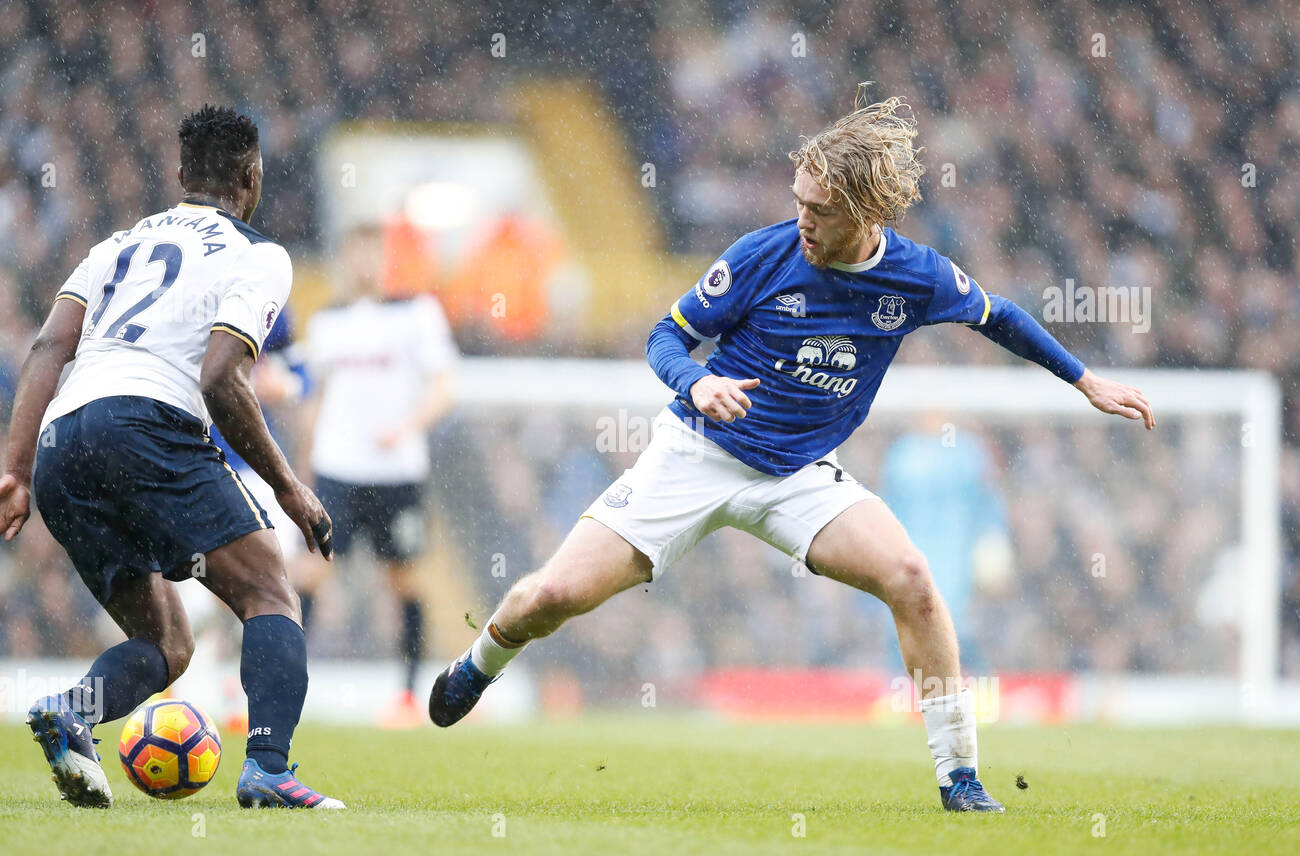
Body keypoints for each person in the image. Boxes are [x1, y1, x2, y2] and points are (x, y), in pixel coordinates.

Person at [427, 89, 1155, 813]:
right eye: (799, 200)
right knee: (550, 596)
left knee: (912, 577)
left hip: (800, 475)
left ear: (868, 214)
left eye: (821, 210)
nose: (803, 218)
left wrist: (1084, 378)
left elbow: (1000, 316)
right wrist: (699, 382)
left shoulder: (916, 276)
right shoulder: (763, 255)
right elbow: (665, 337)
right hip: (697, 453)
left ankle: (959, 776)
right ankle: (479, 661)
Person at [0, 105, 343, 809]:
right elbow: (221, 376)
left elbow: (47, 347)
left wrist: (16, 468)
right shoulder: (259, 255)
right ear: (252, 177)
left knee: (167, 642)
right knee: (269, 592)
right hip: (148, 424)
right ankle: (269, 769)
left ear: (181, 175)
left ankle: (72, 709)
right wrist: (288, 488)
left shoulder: (116, 245)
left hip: (65, 440)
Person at [298, 223, 457, 727]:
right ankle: (282, 691)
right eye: (356, 252)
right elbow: (314, 398)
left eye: (374, 252)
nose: (364, 262)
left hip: (397, 473)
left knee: (404, 581)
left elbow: (444, 386)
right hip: (336, 470)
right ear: (345, 257)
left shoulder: (415, 313)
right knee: (310, 575)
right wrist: (301, 469)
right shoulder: (328, 320)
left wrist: (406, 426)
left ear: (386, 258)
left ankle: (408, 698)